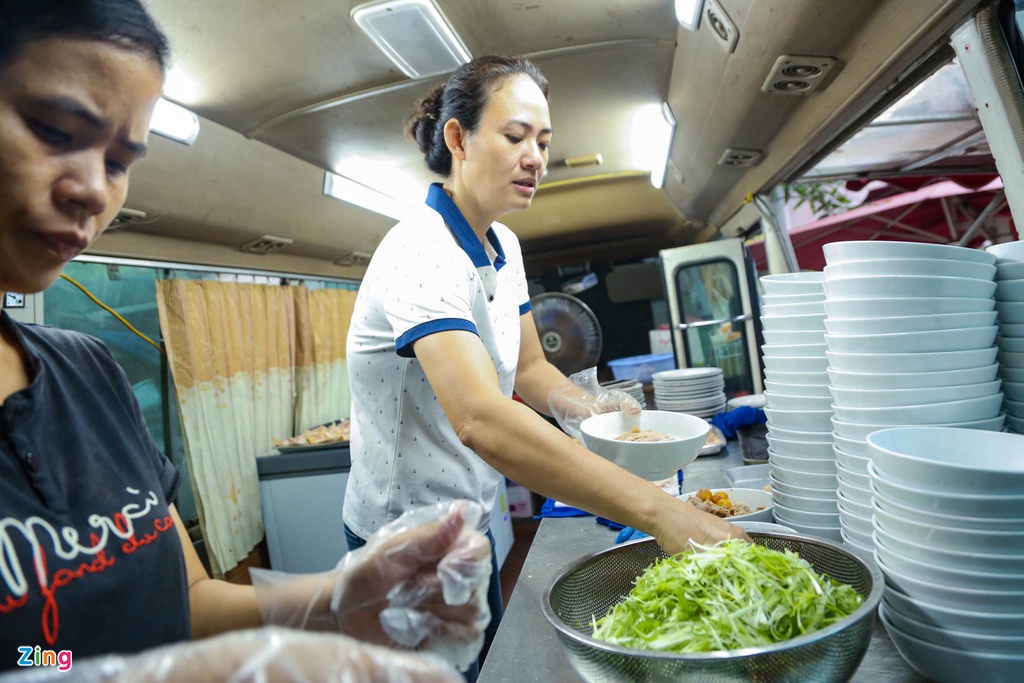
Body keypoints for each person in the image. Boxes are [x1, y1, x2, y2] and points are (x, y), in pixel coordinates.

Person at [0, 1, 490, 680]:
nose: (92, 189)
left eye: (119, 161)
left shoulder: (89, 374)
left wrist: (343, 596)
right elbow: (25, 651)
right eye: (54, 130)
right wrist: (94, 668)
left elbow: (189, 599)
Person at [342, 54, 750, 679]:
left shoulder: (503, 244)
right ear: (458, 139)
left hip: (470, 521)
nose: (536, 156)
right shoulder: (419, 252)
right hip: (403, 542)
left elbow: (530, 368)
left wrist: (594, 411)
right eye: (514, 136)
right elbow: (482, 417)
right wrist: (663, 511)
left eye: (543, 141)